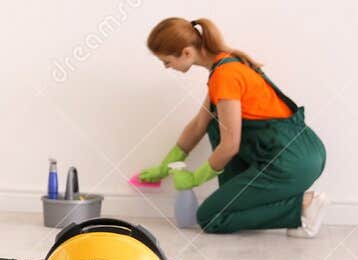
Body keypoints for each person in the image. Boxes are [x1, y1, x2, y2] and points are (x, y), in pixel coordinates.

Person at [138, 17, 327, 236]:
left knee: (210, 218)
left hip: (291, 161)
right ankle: (273, 202)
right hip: (297, 153)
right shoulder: (225, 65)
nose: (167, 67)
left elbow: (230, 146)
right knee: (215, 124)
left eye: (167, 61)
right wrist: (166, 165)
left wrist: (195, 178)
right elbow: (200, 123)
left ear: (187, 53)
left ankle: (303, 206)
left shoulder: (225, 75)